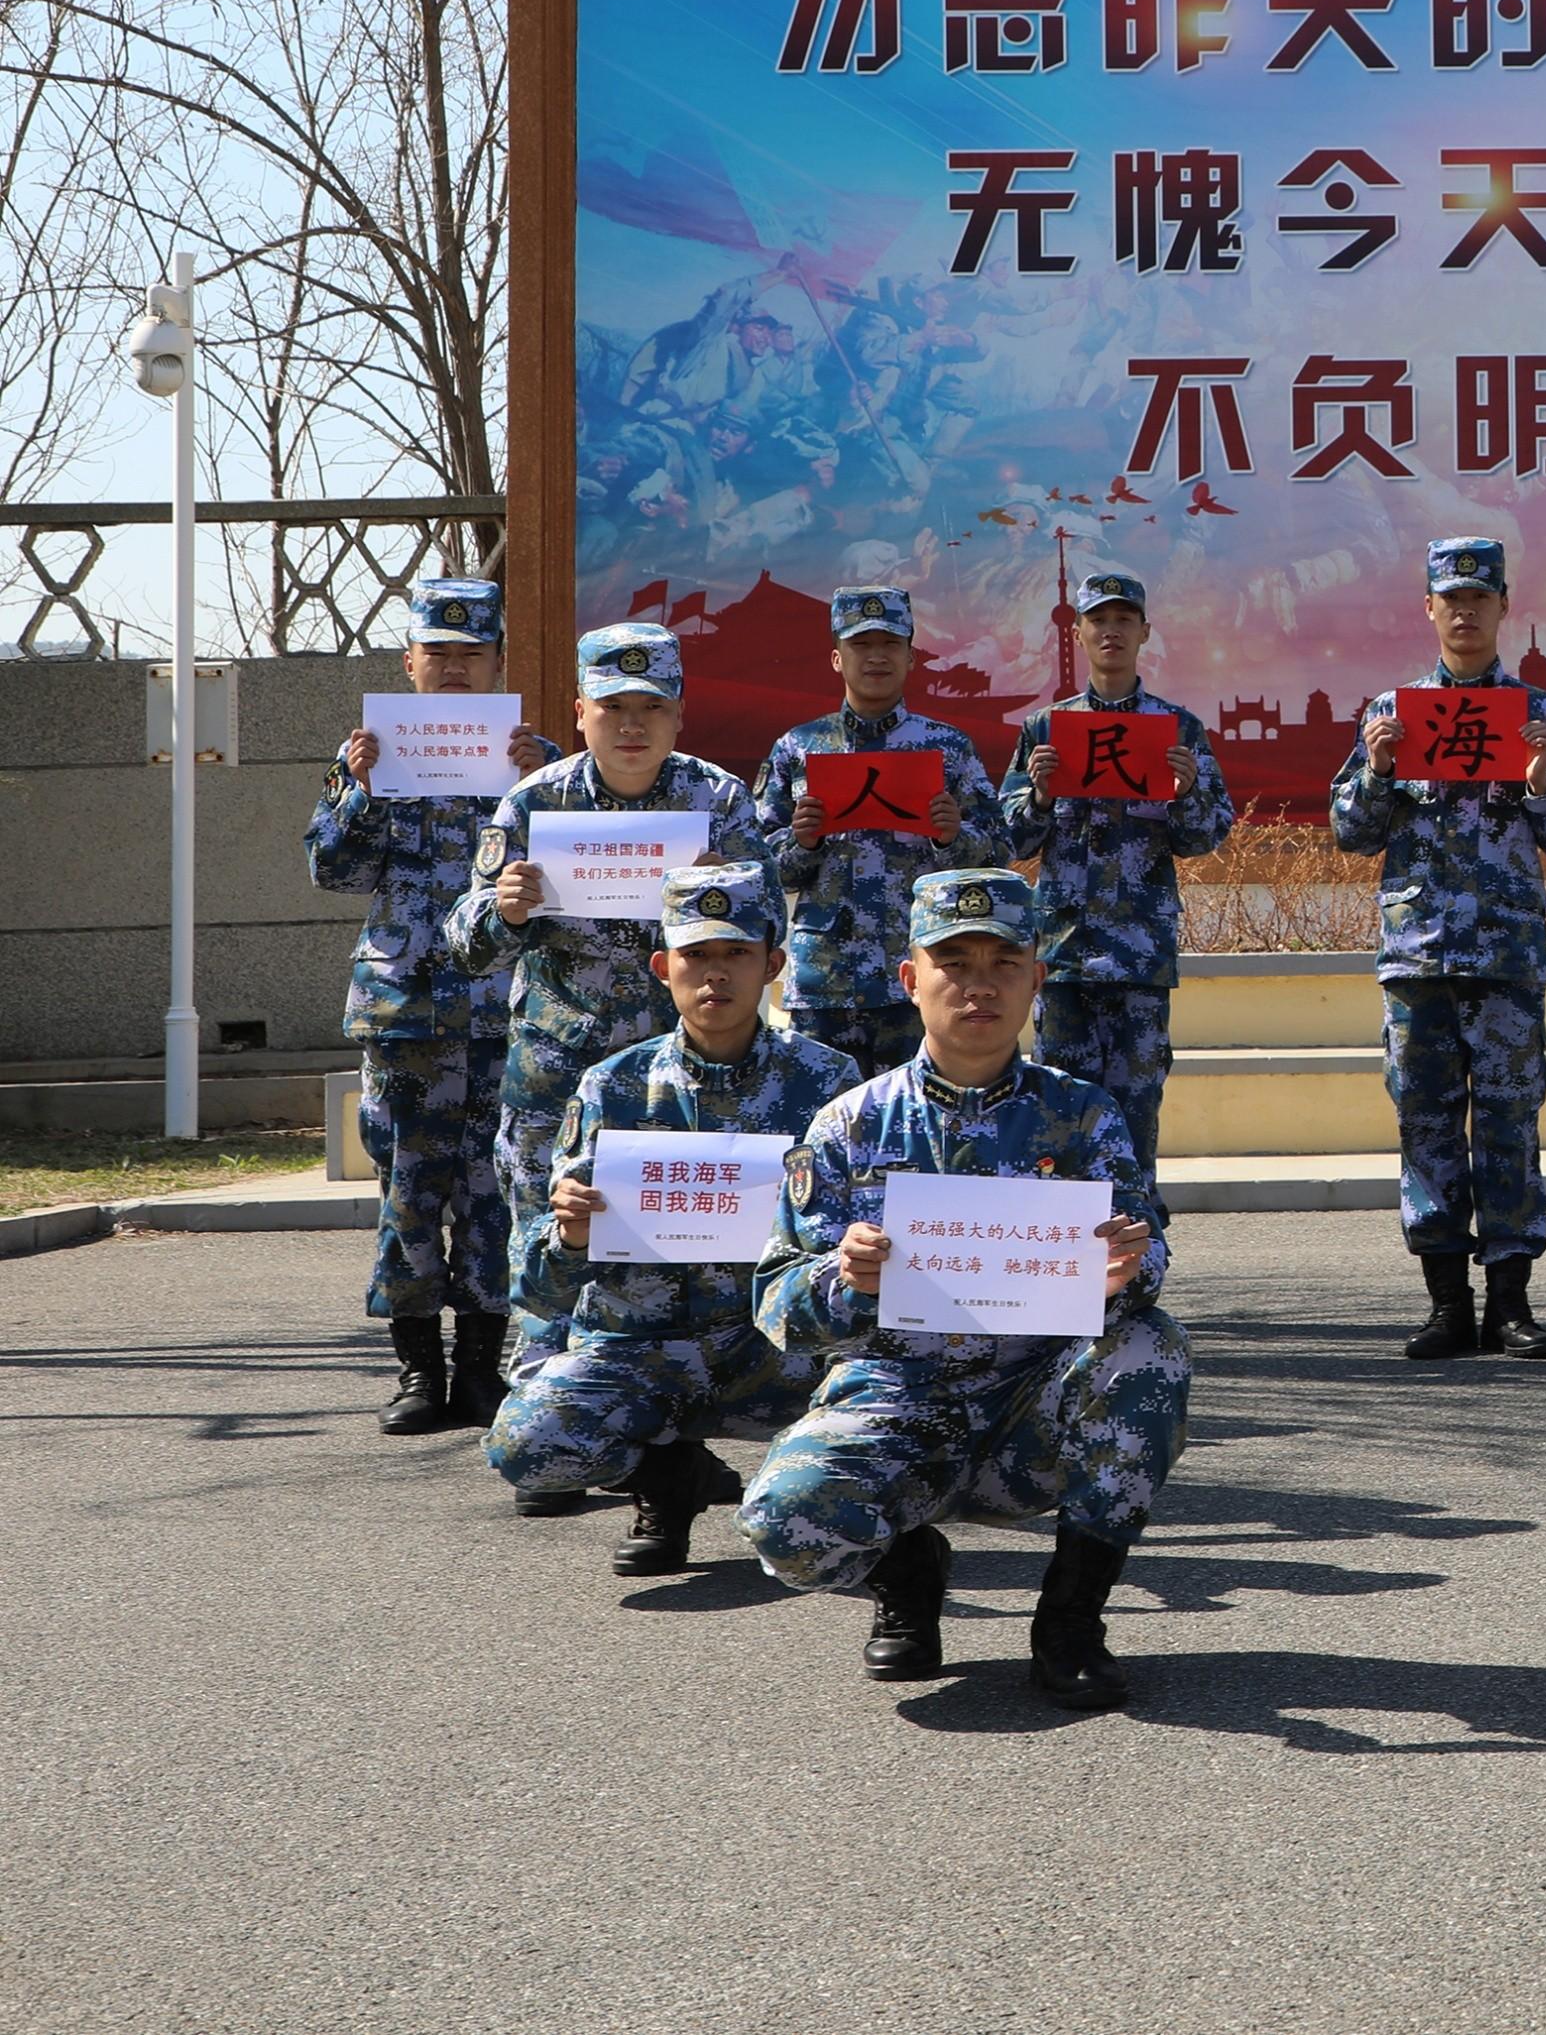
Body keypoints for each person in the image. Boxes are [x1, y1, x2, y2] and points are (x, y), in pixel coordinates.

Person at [738, 869, 1191, 1711]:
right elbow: (775, 1301)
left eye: (1003, 963)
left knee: (1147, 1346)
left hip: (1036, 1399)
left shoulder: (1084, 1117)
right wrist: (845, 1275)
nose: (979, 983)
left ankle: (1069, 1622)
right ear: (911, 980)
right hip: (897, 1399)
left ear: (1035, 980)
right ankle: (908, 1576)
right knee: (783, 1524)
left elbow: (1148, 1248)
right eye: (954, 961)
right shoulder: (849, 1125)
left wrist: (1127, 1273)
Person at [484, 864, 862, 1577]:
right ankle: (666, 1479)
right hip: (641, 1349)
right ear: (664, 967)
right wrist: (567, 1236)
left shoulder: (829, 1083)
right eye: (696, 955)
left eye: (736, 953)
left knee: (870, 1430)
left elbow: (848, 1242)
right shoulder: (613, 1086)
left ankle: (822, 1506)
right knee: (528, 1446)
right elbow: (536, 1286)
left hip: (776, 1348)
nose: (715, 974)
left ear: (773, 963)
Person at [446, 623, 765, 1453]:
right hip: (559, 1074)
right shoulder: (533, 802)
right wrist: (504, 906)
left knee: (690, 1240)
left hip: (686, 1075)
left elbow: (764, 930)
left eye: (651, 707)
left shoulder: (718, 802)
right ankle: (548, 1420)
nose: (632, 724)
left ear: (679, 715)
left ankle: (681, 1430)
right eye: (613, 706)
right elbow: (465, 938)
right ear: (580, 710)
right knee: (550, 1236)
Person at [1331, 536, 1546, 1362]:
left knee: (1512, 1123)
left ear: (1504, 606)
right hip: (1418, 956)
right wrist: (1376, 769)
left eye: (1480, 598)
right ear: (1429, 609)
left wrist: (1540, 780)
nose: (1465, 612)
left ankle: (1510, 1302)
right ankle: (1447, 1301)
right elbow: (1350, 829)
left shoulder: (1539, 715)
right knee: (1427, 1124)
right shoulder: (1395, 712)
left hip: (1507, 954)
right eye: (1450, 598)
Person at [308, 577, 556, 1432]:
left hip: (505, 1007)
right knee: (410, 1190)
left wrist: (540, 784)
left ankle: (484, 1367)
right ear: (409, 660)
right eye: (436, 652)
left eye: (470, 653)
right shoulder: (368, 755)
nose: (452, 668)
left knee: (494, 1190)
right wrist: (361, 792)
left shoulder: (540, 760)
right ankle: (418, 1369)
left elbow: (576, 882)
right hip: (407, 1008)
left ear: (494, 664)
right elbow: (332, 872)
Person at [1000, 569, 1236, 1166]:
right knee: (1058, 1112)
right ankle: (1060, 1248)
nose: (1111, 631)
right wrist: (1042, 796)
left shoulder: (1176, 729)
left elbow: (1208, 834)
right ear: (1078, 633)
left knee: (1135, 1113)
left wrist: (1185, 792)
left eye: (1123, 620)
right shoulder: (1046, 729)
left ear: (1145, 631)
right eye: (1098, 620)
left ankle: (1136, 1251)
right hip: (1064, 954)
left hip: (1138, 953)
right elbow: (1006, 835)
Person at [751, 585, 1007, 1077]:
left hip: (919, 975)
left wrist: (952, 837)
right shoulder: (798, 748)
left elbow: (999, 854)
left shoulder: (947, 748)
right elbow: (761, 868)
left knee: (914, 1128)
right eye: (861, 645)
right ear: (836, 657)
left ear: (911, 657)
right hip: (826, 976)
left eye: (889, 645)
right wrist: (801, 842)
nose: (876, 657)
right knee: (825, 1127)